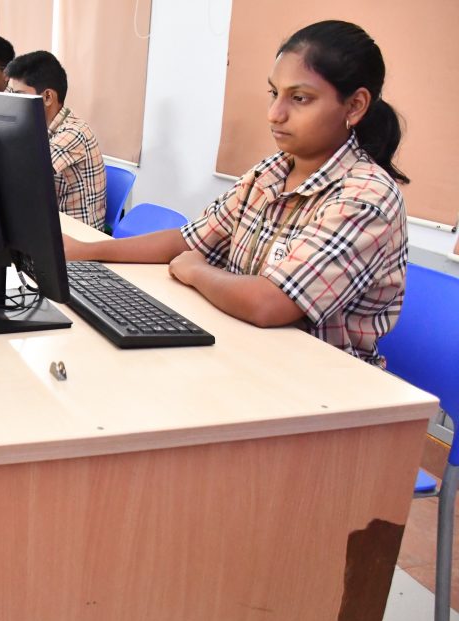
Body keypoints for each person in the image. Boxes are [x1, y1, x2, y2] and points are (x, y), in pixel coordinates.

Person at [64, 20, 408, 366]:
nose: (275, 114)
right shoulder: (270, 172)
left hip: (324, 383)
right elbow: (187, 242)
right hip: (247, 352)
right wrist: (86, 251)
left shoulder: (366, 196)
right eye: (275, 94)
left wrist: (196, 271)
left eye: (300, 98)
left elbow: (270, 303)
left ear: (354, 106)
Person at [6, 51, 106, 229]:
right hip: (51, 224)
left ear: (47, 97)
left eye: (20, 95)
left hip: (80, 240)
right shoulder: (39, 127)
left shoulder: (73, 132)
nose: (13, 103)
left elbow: (23, 176)